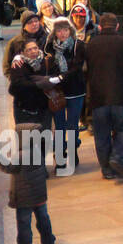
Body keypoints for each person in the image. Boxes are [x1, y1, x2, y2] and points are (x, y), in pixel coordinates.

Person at [85, 12, 123, 180]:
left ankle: (106, 169)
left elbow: (86, 71)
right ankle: (117, 158)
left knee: (101, 134)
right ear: (117, 26)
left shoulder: (91, 44)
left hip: (98, 97)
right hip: (121, 95)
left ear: (100, 27)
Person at [0, 123, 56, 244]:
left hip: (24, 199)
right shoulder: (37, 152)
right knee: (43, 218)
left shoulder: (20, 156)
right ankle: (48, 241)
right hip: (39, 195)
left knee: (24, 223)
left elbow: (9, 168)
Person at [45, 18, 86, 175]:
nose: (62, 33)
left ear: (71, 31)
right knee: (60, 126)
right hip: (58, 92)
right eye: (59, 30)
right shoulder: (50, 47)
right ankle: (61, 158)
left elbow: (77, 67)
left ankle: (72, 152)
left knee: (73, 125)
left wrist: (62, 77)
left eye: (65, 30)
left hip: (75, 91)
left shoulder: (78, 46)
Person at [3, 10, 50, 77]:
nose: (34, 24)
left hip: (45, 79)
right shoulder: (15, 42)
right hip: (24, 81)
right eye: (30, 22)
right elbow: (7, 66)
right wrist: (15, 80)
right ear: (24, 27)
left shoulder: (48, 38)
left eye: (36, 21)